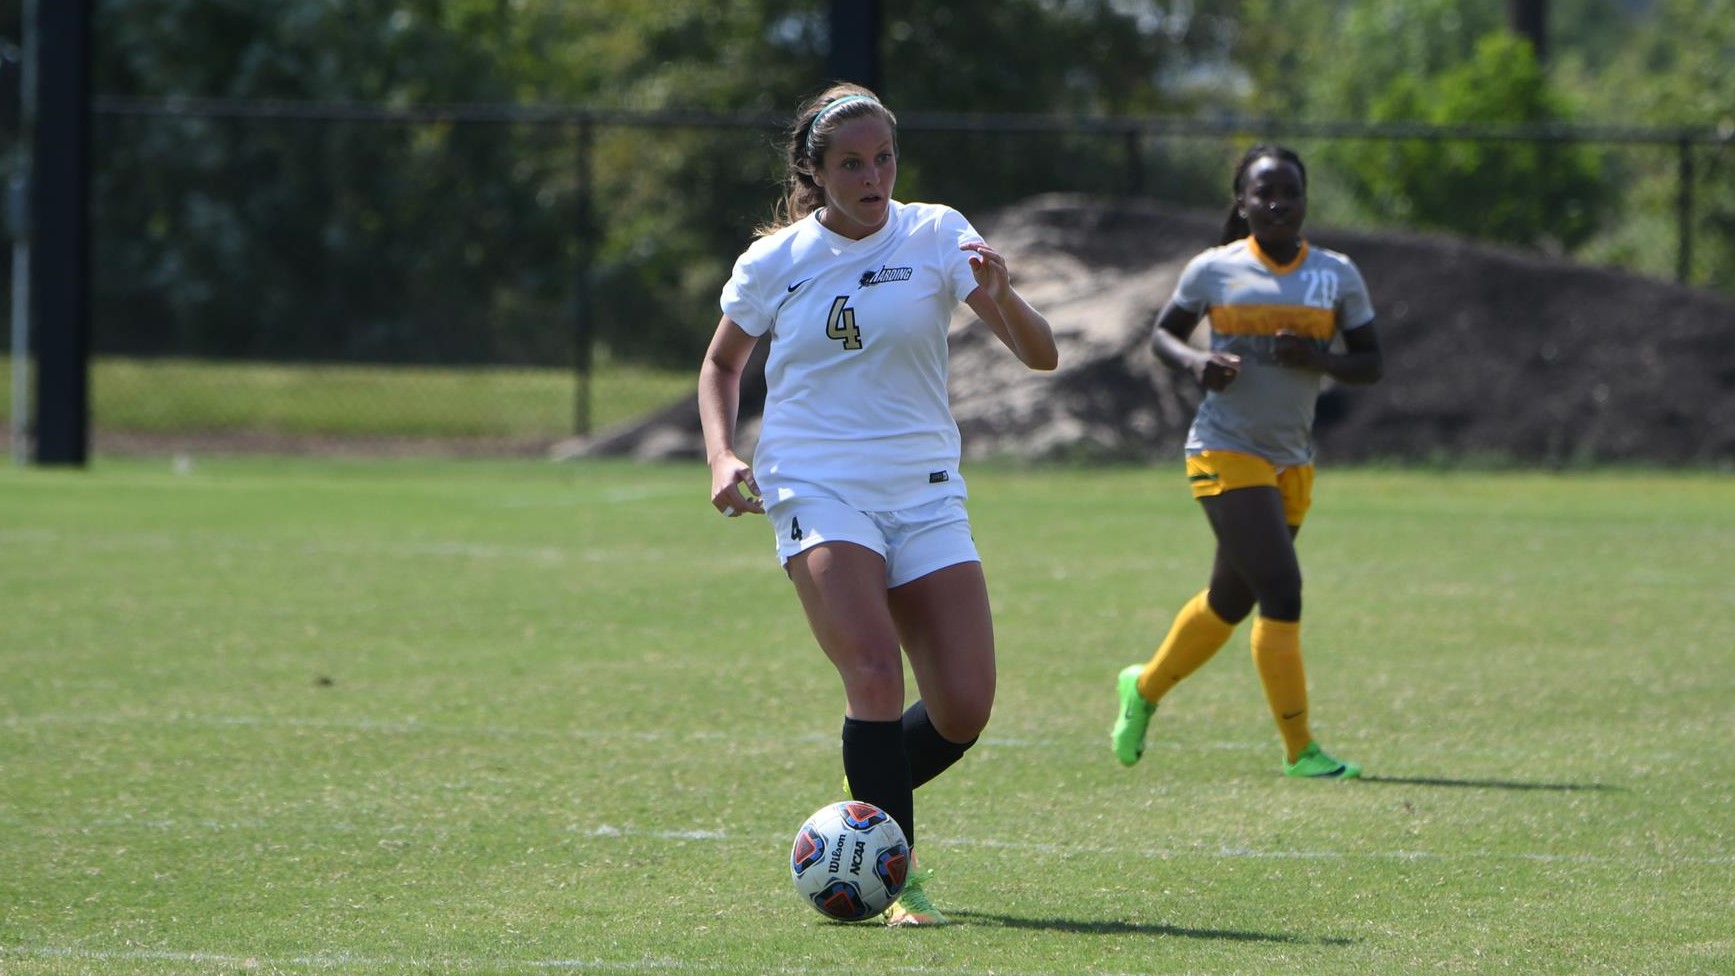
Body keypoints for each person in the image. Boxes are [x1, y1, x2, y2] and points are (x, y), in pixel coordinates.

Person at [698, 82, 1057, 926]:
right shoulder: (774, 262)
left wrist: (1002, 294)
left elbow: (1040, 357)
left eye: (883, 157)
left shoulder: (936, 232)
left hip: (925, 489)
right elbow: (721, 365)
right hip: (816, 485)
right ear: (815, 173)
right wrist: (720, 452)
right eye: (851, 163)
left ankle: (862, 802)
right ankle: (897, 875)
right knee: (871, 670)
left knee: (965, 706)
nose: (872, 176)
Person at [1110, 144, 1383, 780]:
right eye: (1264, 194)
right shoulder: (1214, 270)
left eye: (1290, 192)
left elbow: (1371, 363)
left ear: (1304, 199)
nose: (1278, 204)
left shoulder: (1336, 274)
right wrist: (1196, 362)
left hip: (1292, 459)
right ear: (1243, 203)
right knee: (1282, 589)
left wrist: (1319, 358)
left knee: (1230, 602)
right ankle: (1301, 750)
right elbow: (1162, 337)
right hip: (1224, 449)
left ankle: (1143, 689)